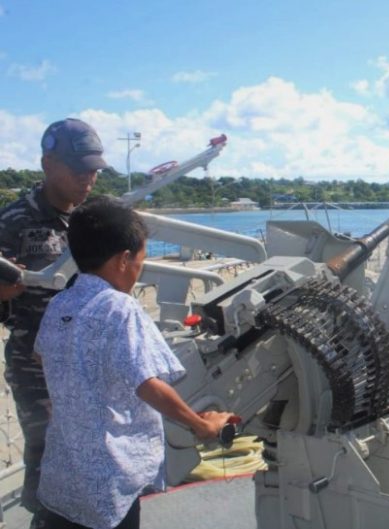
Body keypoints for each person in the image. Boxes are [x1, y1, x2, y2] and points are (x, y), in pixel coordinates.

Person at [34, 196, 232, 529]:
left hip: (62, 477)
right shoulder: (119, 307)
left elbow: (42, 355)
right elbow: (148, 384)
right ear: (124, 259)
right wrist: (202, 426)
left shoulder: (60, 303)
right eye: (141, 259)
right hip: (108, 484)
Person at [0, 118, 106, 521]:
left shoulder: (93, 218)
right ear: (48, 164)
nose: (88, 178)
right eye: (78, 169)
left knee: (89, 457)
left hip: (88, 363)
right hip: (36, 368)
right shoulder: (12, 222)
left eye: (93, 170)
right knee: (48, 460)